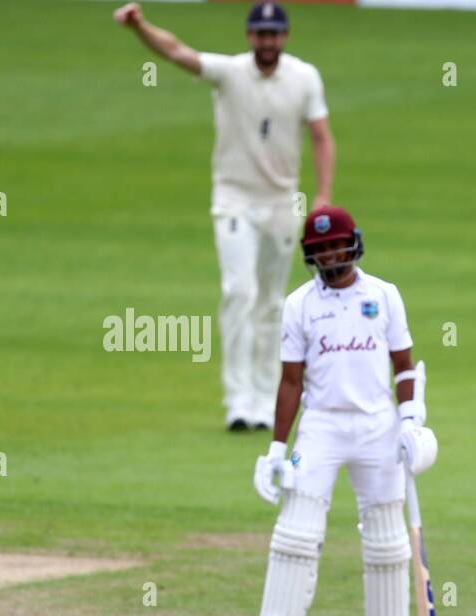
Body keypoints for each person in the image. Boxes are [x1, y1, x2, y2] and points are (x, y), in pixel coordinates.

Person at [113, 1, 336, 430]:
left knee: (273, 303)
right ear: (249, 36)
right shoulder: (230, 72)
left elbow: (322, 137)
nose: (266, 41)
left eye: (273, 34)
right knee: (239, 292)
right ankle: (238, 401)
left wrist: (323, 194)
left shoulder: (304, 77)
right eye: (259, 34)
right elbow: (177, 52)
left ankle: (267, 399)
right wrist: (140, 26)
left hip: (281, 202)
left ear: (284, 37)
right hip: (234, 198)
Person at [246, 206, 435, 616]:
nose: (331, 254)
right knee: (296, 530)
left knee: (388, 536)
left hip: (377, 424)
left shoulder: (384, 295)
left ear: (354, 243)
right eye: (321, 248)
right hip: (322, 425)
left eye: (337, 244)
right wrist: (276, 449)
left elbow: (405, 364)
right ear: (311, 254)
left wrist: (410, 420)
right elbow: (291, 381)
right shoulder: (299, 305)